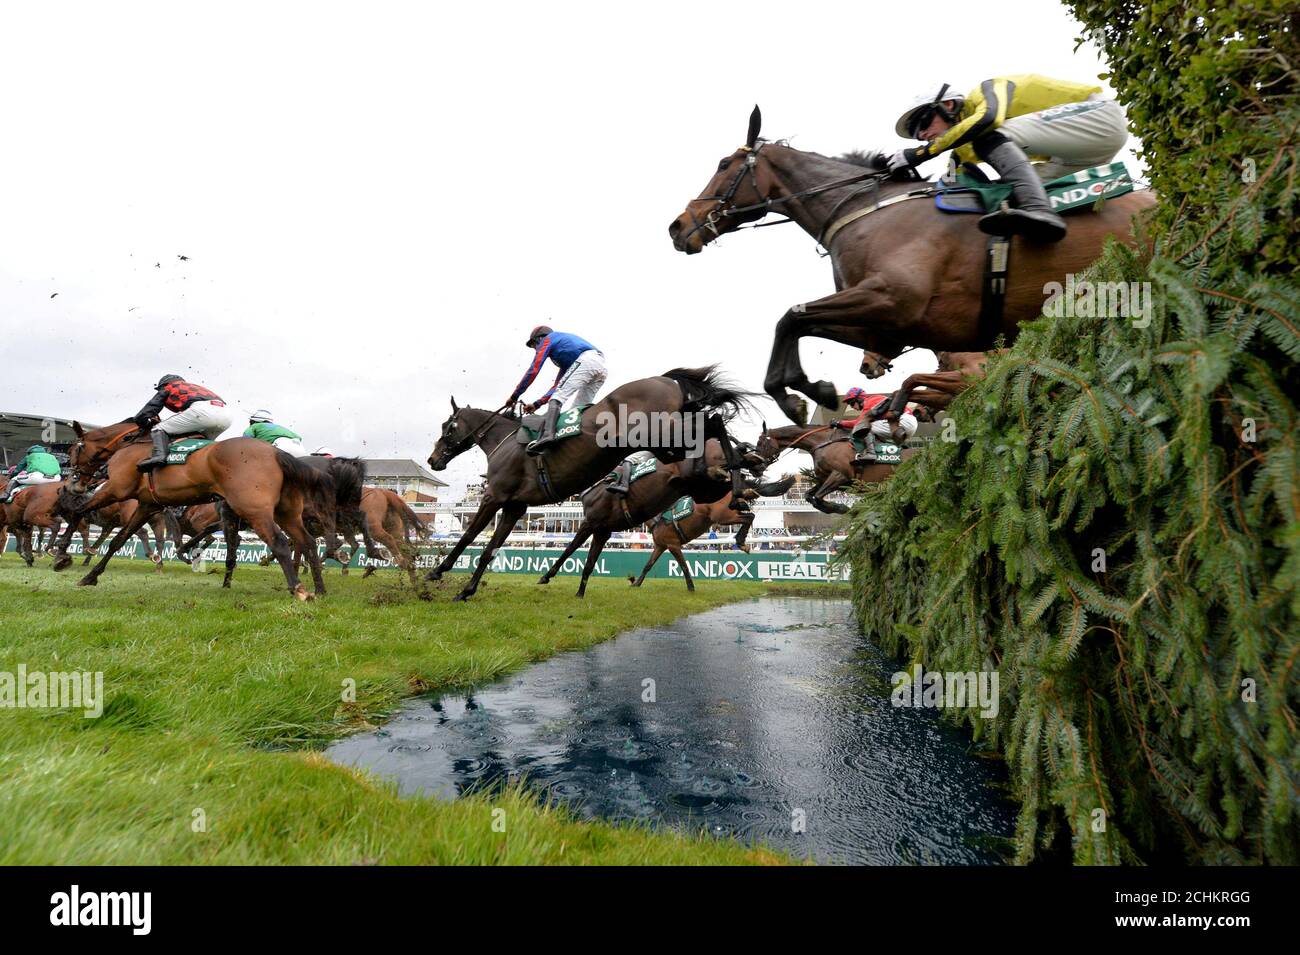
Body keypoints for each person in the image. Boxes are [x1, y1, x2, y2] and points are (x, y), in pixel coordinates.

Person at [885, 76, 1129, 242]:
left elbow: (989, 119)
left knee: (990, 135)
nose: (924, 135)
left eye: (924, 123)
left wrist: (922, 154)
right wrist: (903, 178)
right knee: (1012, 194)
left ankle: (1039, 210)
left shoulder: (987, 89)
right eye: (918, 137)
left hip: (1100, 115)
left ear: (947, 105)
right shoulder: (964, 148)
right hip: (1080, 157)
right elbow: (947, 184)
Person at [507, 325, 607, 455]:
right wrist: (537, 404)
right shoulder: (565, 355)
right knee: (577, 410)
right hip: (600, 367)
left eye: (533, 345)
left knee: (557, 398)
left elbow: (534, 369)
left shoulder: (548, 339)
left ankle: (548, 435)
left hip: (588, 360)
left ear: (539, 339)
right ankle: (580, 442)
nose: (535, 349)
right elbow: (557, 385)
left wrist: (514, 396)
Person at [133, 374, 233, 471]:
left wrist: (143, 423)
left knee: (158, 428)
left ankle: (159, 457)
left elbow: (147, 411)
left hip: (203, 411)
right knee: (202, 448)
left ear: (163, 385)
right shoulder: (192, 386)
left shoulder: (168, 387)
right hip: (227, 415)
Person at [834, 387, 918, 463]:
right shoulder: (874, 400)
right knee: (875, 429)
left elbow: (858, 423)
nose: (852, 407)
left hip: (905, 421)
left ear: (859, 399)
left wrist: (840, 423)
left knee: (864, 426)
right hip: (906, 423)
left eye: (851, 403)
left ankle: (871, 453)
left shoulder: (870, 401)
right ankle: (897, 447)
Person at [242, 410, 309, 457]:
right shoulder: (281, 428)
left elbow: (245, 442)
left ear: (254, 421)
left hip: (280, 449)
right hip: (301, 450)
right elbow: (299, 438)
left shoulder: (254, 426)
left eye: (250, 422)